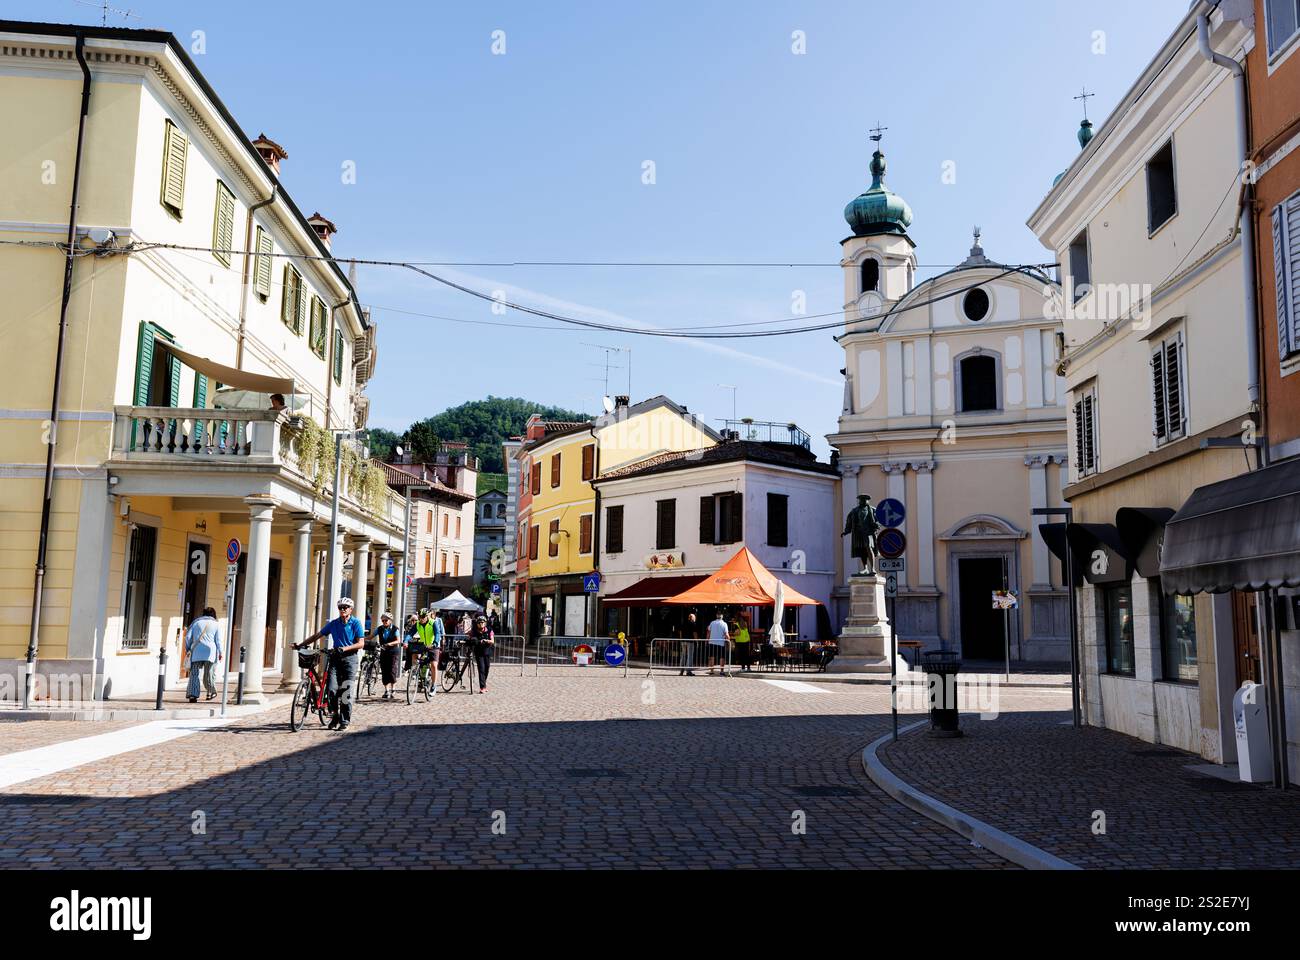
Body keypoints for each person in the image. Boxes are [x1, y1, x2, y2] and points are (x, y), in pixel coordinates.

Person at [294, 597, 364, 730]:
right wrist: (301, 645)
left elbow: (361, 643)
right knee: (331, 689)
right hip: (335, 658)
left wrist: (345, 648)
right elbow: (317, 635)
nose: (342, 609)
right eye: (340, 607)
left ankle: (344, 721)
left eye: (345, 607)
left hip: (350, 659)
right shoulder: (334, 623)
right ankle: (335, 716)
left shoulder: (356, 623)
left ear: (351, 609)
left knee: (346, 691)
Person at [184, 606, 223, 702]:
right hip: (210, 652)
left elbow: (188, 637)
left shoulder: (196, 623)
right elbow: (218, 641)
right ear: (214, 614)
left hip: (197, 651)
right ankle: (210, 692)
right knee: (209, 673)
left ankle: (193, 695)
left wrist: (188, 648)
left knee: (194, 673)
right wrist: (220, 652)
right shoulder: (216, 624)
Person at [373, 612, 402, 699]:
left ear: (390, 621)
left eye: (386, 620)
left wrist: (389, 644)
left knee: (392, 670)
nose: (384, 622)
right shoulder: (379, 629)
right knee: (384, 671)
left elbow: (398, 641)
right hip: (384, 651)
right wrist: (361, 639)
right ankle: (386, 690)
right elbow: (371, 636)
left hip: (393, 651)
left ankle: (393, 688)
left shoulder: (395, 629)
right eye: (383, 620)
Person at [413, 609, 440, 695]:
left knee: (434, 665)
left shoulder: (433, 622)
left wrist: (435, 643)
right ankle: (417, 674)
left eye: (423, 617)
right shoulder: (417, 624)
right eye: (420, 617)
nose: (421, 619)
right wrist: (405, 641)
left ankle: (434, 686)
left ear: (427, 616)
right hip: (423, 646)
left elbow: (437, 633)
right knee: (416, 657)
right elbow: (410, 633)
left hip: (433, 646)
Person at [470, 614, 494, 693]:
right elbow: (471, 638)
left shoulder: (489, 630)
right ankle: (482, 687)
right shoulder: (474, 631)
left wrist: (487, 641)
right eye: (479, 622)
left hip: (487, 652)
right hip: (478, 652)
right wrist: (475, 640)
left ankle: (484, 684)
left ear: (485, 623)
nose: (481, 624)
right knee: (481, 669)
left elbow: (492, 641)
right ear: (477, 623)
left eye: (482, 622)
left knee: (487, 668)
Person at [706, 610, 731, 676]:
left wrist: (707, 640)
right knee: (722, 657)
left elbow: (708, 632)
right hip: (720, 643)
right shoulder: (724, 624)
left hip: (712, 642)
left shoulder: (712, 623)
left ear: (716, 616)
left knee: (712, 656)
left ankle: (711, 671)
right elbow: (726, 634)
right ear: (722, 616)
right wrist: (729, 641)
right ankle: (721, 671)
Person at [679, 611, 699, 677]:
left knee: (683, 655)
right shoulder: (693, 623)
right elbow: (694, 633)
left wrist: (681, 639)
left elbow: (681, 632)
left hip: (683, 641)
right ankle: (688, 671)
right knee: (690, 656)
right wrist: (697, 641)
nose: (695, 619)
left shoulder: (684, 623)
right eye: (695, 618)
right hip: (690, 641)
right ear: (693, 618)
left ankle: (681, 671)